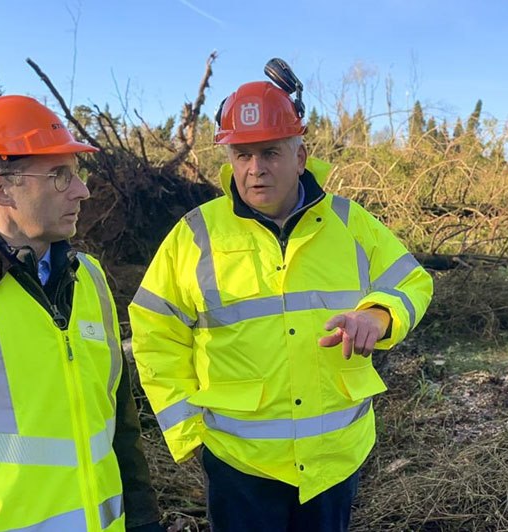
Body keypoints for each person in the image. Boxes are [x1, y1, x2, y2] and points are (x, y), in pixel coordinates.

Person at [129, 60, 433, 532]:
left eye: (270, 152)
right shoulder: (195, 235)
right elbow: (155, 330)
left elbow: (412, 281)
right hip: (240, 465)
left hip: (334, 459)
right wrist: (189, 431)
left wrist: (379, 315)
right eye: (242, 155)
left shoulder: (351, 224)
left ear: (300, 153)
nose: (255, 170)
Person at [0, 95, 163, 531]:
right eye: (60, 175)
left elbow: (122, 430)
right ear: (1, 188)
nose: (82, 190)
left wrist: (145, 523)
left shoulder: (90, 279)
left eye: (76, 173)